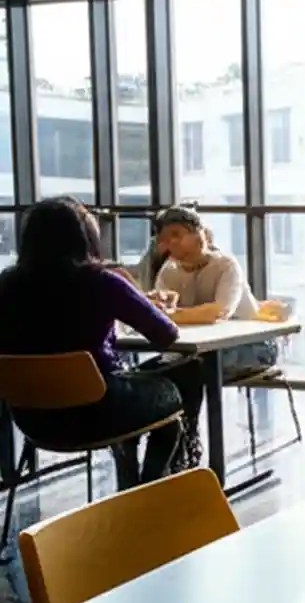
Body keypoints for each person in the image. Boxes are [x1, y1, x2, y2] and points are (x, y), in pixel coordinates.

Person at [0, 197, 189, 487]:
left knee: (136, 391)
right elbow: (166, 335)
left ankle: (130, 485)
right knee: (169, 391)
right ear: (84, 236)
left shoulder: (6, 284)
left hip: (31, 418)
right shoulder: (102, 282)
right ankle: (148, 486)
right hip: (98, 410)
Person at [149, 206, 282, 426]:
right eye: (164, 238)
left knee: (186, 372)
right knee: (151, 373)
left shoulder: (225, 265)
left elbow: (219, 311)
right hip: (199, 351)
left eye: (177, 235)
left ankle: (188, 441)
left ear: (199, 232)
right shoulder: (169, 271)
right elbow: (160, 311)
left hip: (253, 348)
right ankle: (175, 440)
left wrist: (170, 314)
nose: (171, 243)